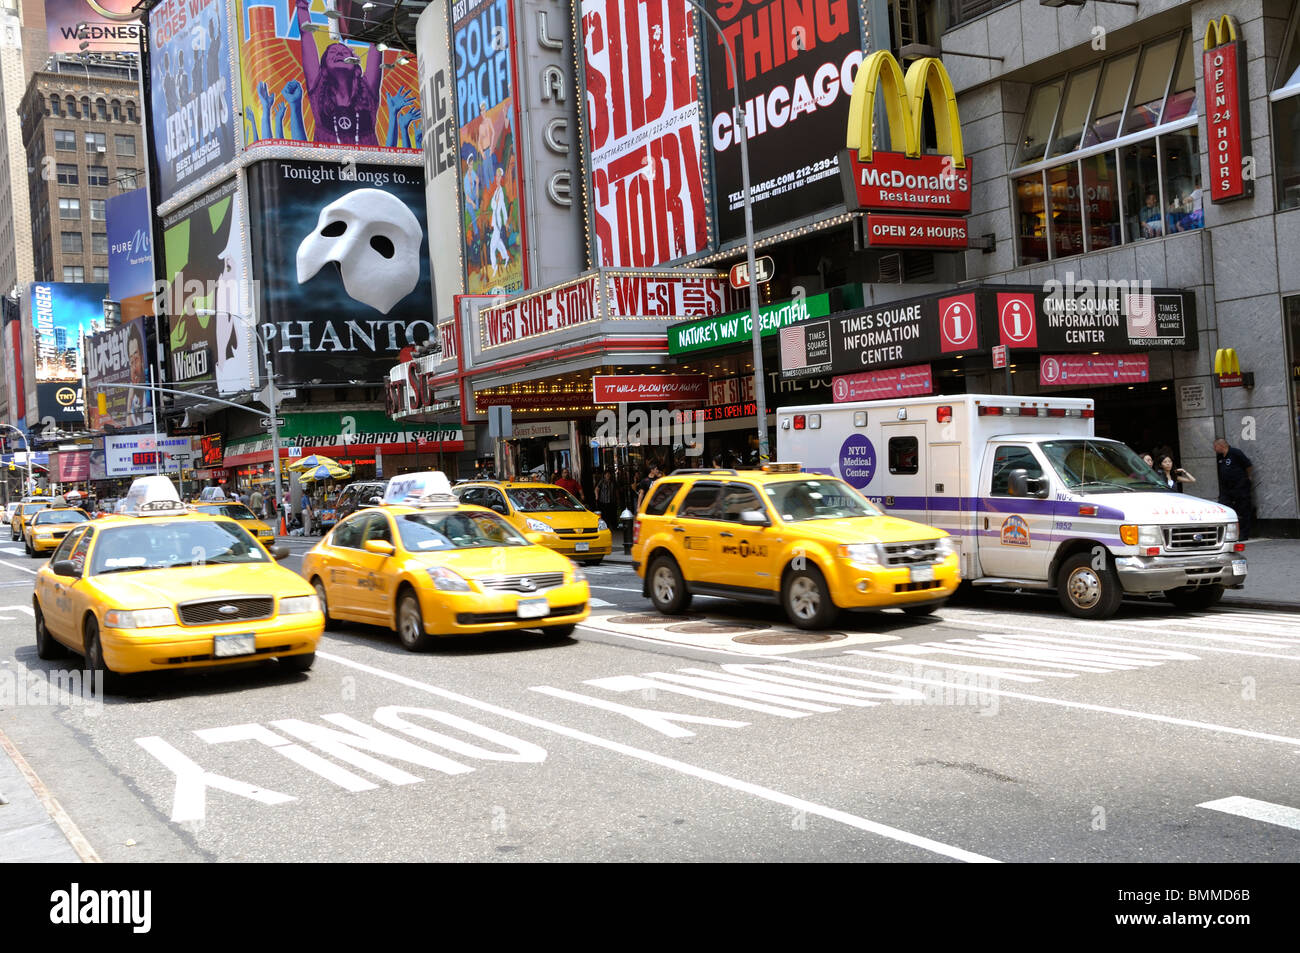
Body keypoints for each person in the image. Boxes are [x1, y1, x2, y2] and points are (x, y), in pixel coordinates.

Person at [1213, 437, 1254, 539]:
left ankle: (1244, 534)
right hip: (1226, 489)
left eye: (1215, 446)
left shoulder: (1235, 453)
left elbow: (1248, 465)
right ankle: (1225, 533)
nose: (1214, 449)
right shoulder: (1220, 457)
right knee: (1224, 506)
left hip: (1240, 487)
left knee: (1243, 510)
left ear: (1221, 445)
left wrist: (1248, 477)